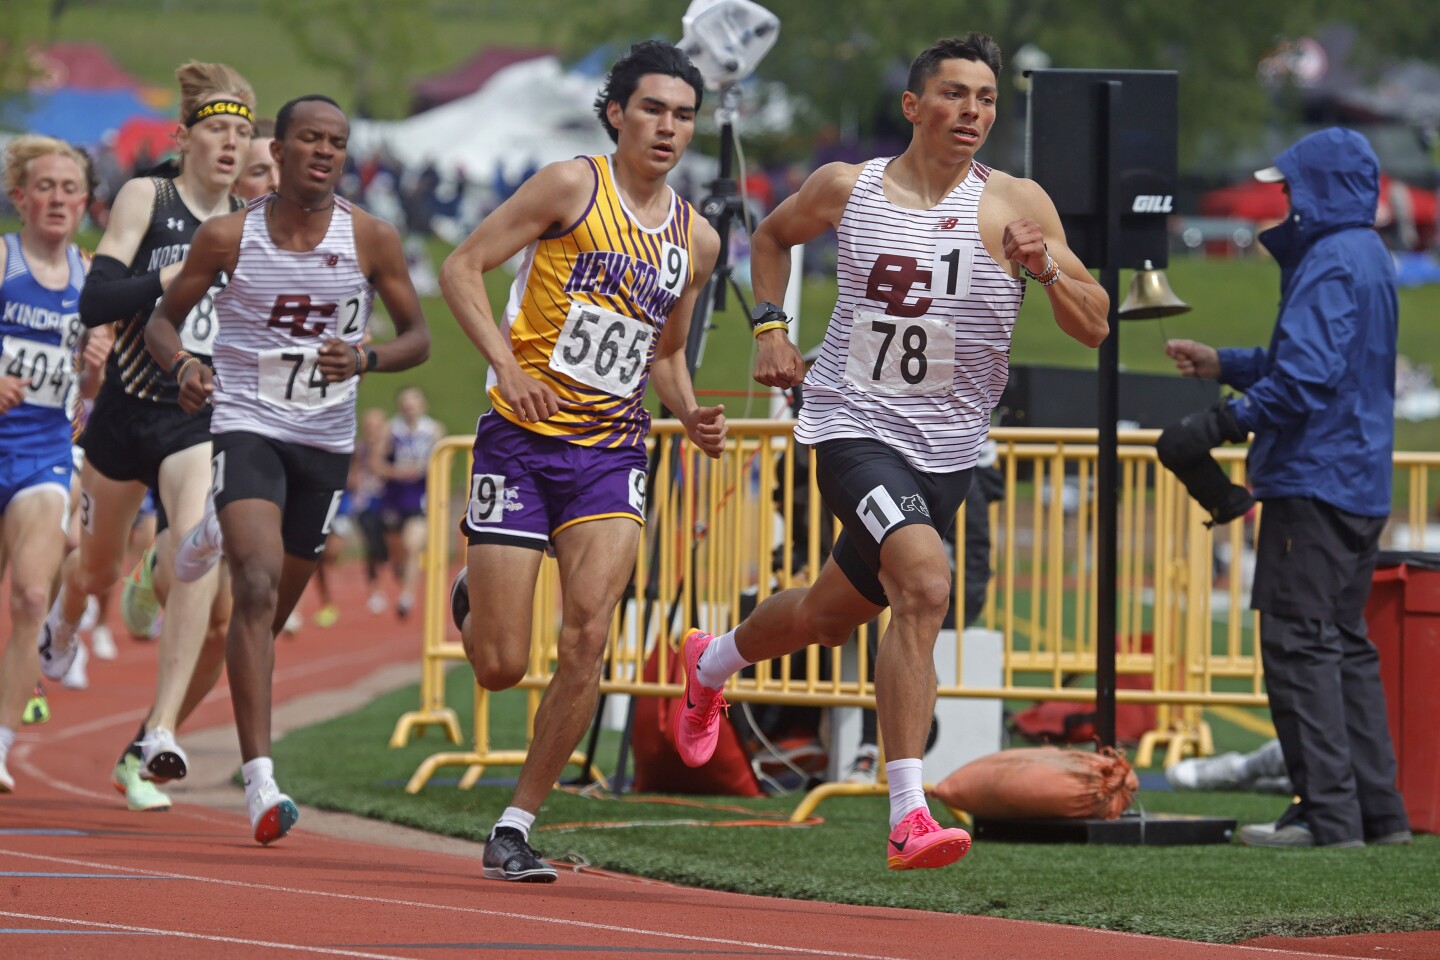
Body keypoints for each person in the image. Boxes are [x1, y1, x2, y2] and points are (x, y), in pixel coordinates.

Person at [674, 34, 1108, 871]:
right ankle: (908, 809)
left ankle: (712, 660)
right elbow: (767, 239)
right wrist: (770, 330)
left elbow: (1095, 325)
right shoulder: (851, 187)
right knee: (927, 581)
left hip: (947, 453)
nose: (971, 112)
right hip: (851, 424)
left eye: (984, 98)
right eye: (953, 95)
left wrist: (1046, 269)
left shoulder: (1016, 203)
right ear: (913, 106)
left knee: (826, 613)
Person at [439, 40, 725, 883]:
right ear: (616, 114)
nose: (667, 127)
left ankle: (515, 824)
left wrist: (691, 413)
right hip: (521, 442)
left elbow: (665, 356)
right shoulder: (572, 185)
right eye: (652, 110)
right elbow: (462, 267)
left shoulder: (696, 241)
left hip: (611, 454)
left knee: (588, 635)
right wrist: (508, 364)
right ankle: (475, 592)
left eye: (682, 115)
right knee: (500, 666)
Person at [150, 93, 430, 844]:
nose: (325, 151)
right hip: (248, 426)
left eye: (337, 142)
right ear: (278, 150)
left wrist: (366, 357)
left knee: (270, 614)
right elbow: (160, 320)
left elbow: (419, 337)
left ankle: (212, 524)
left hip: (326, 443)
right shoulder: (227, 238)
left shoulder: (371, 238)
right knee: (257, 582)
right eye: (310, 138)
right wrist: (182, 367)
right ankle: (260, 781)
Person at [1157, 127, 1412, 849]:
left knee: (1298, 649)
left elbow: (1303, 379)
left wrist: (1218, 424)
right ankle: (1378, 815)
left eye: (1293, 188)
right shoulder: (1368, 254)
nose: (1286, 202)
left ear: (1322, 187)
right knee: (1346, 648)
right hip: (1359, 478)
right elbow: (1312, 361)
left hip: (1314, 478)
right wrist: (1226, 362)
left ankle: (1328, 817)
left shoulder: (1330, 259)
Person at [37, 62, 255, 815]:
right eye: (219, 129)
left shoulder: (248, 225)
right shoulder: (146, 197)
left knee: (200, 542)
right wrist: (176, 277)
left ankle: (159, 729)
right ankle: (69, 616)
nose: (231, 144)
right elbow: (96, 300)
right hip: (123, 417)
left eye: (243, 132)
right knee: (93, 570)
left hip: (193, 418)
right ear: (185, 136)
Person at [0, 135, 91, 792]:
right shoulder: (1, 261)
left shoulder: (92, 278)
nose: (57, 198)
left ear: (85, 203)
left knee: (33, 594)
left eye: (70, 188)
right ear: (20, 197)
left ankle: (0, 743)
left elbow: (96, 382)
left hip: (43, 457)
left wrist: (96, 374)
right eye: (45, 187)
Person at [377, 385, 442, 619]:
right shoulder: (391, 431)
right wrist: (398, 472)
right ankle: (400, 569)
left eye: (414, 403)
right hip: (394, 496)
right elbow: (377, 465)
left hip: (419, 496)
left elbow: (445, 463)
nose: (410, 408)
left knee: (412, 545)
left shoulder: (434, 430)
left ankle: (406, 597)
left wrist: (426, 470)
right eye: (406, 404)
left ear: (423, 405)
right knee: (397, 550)